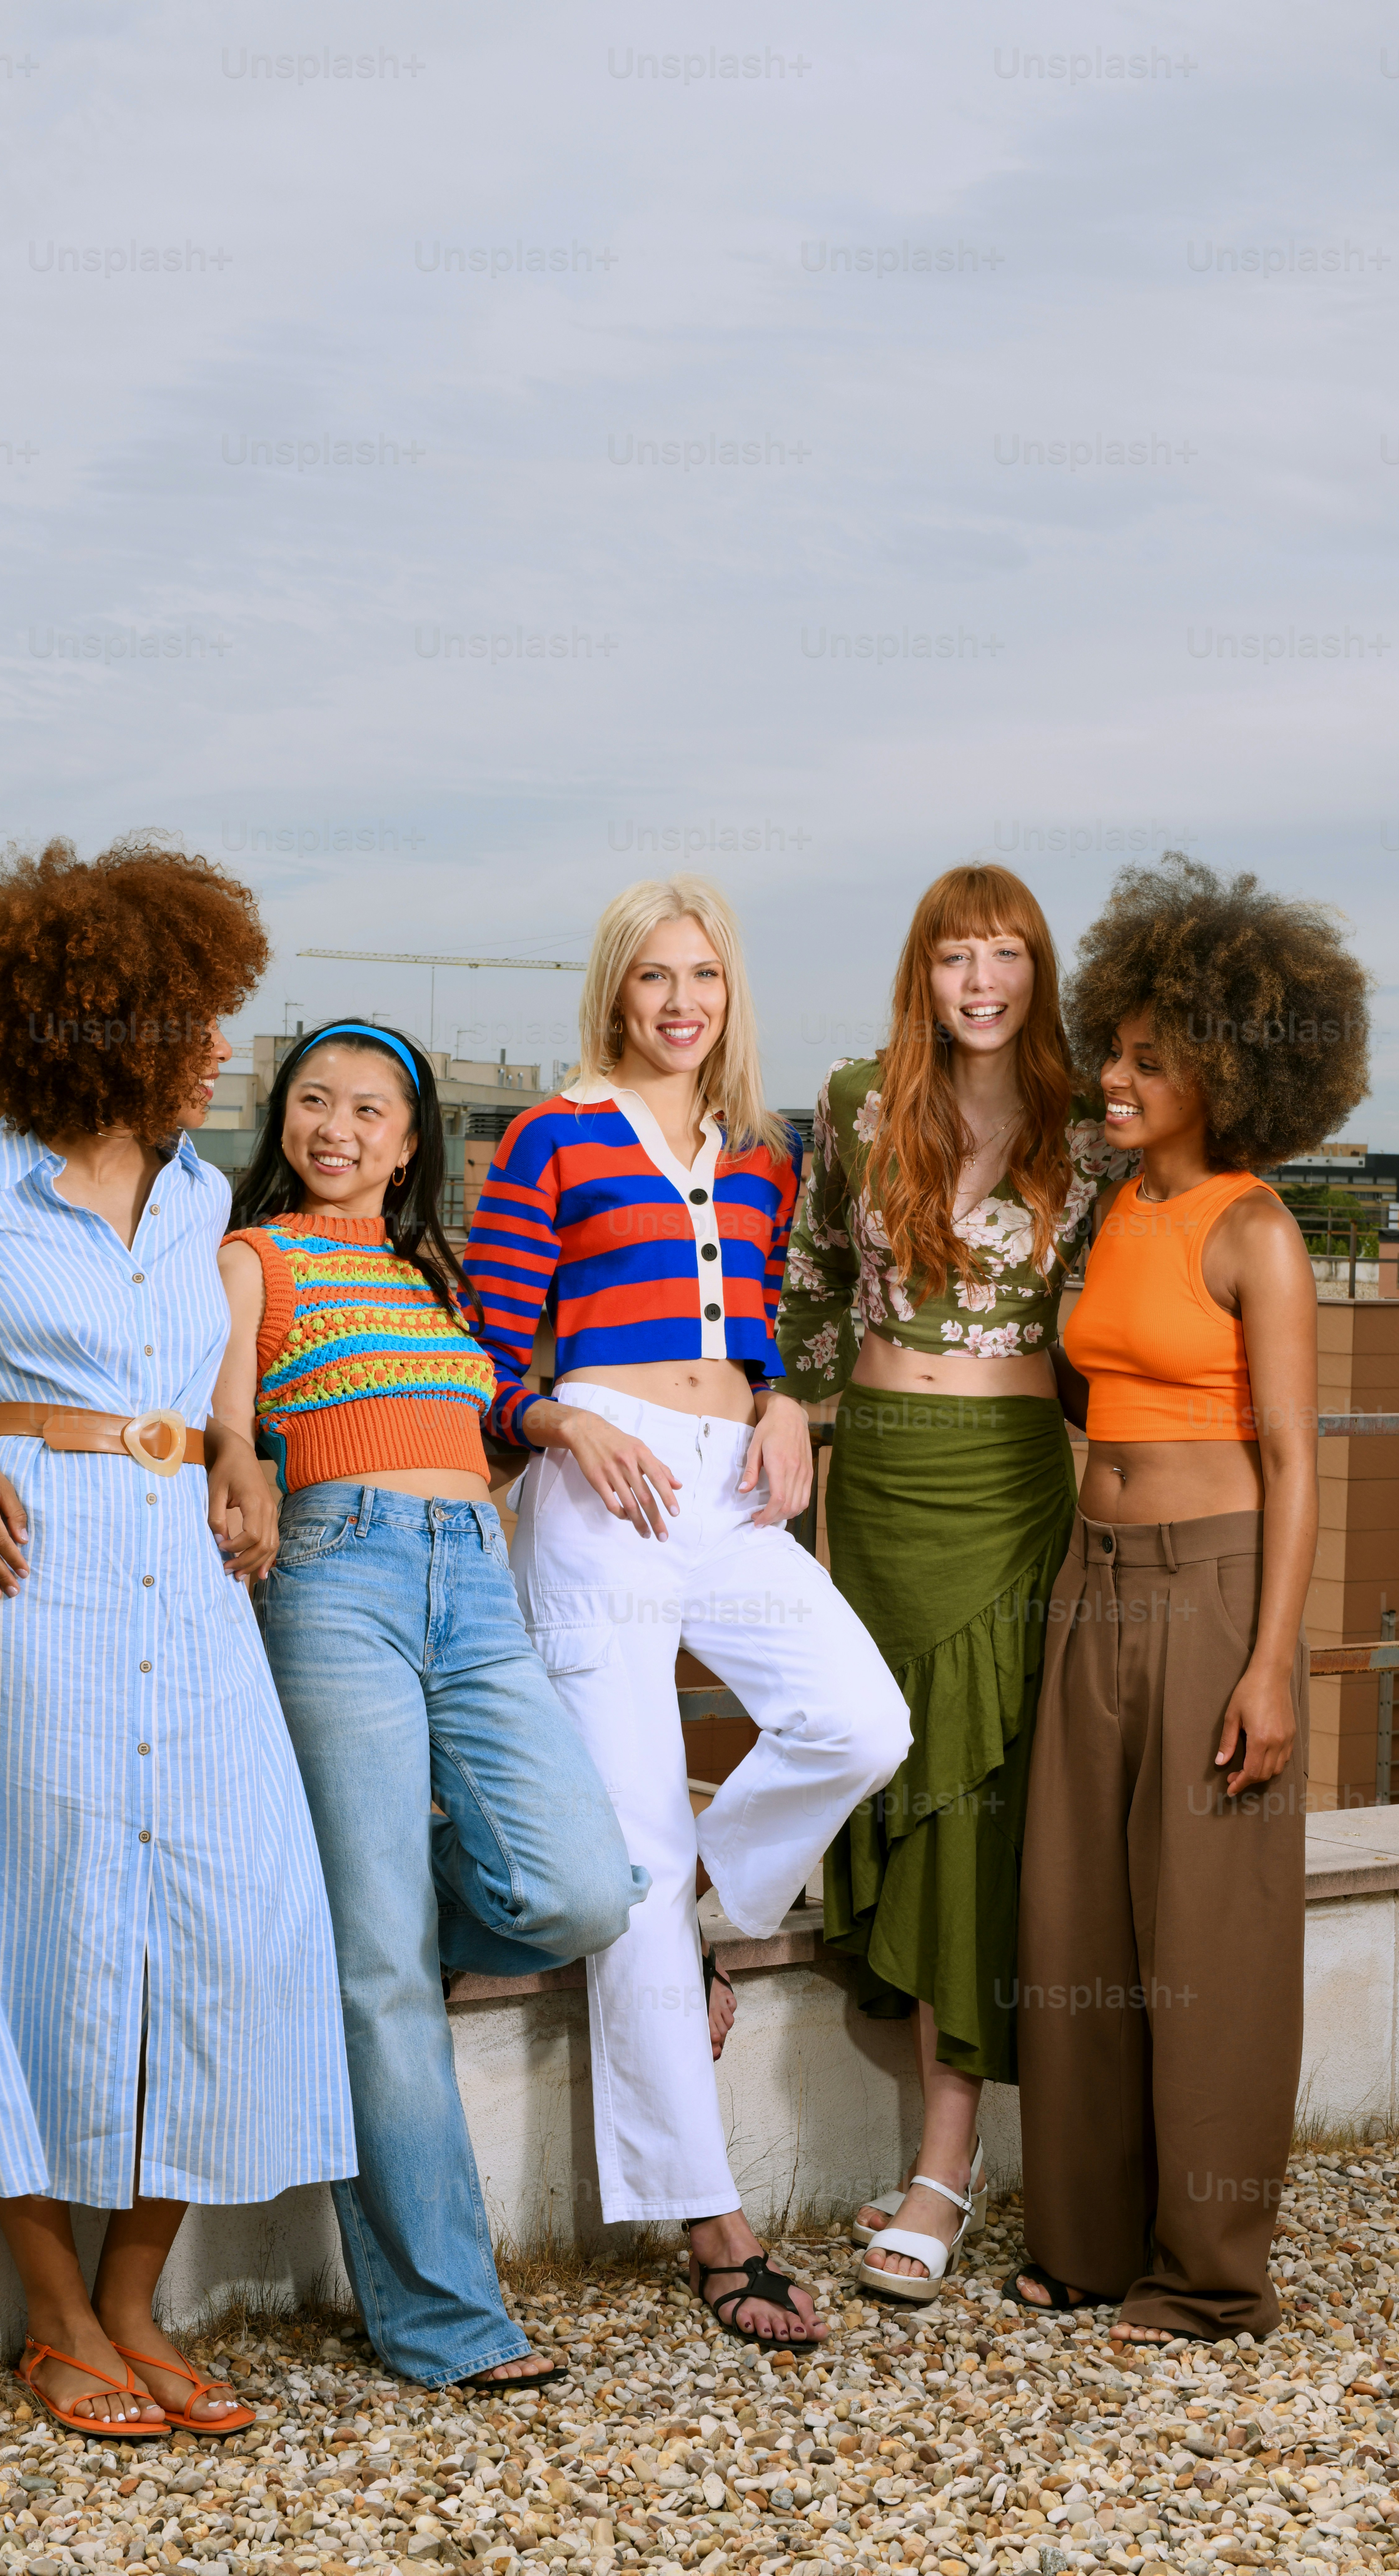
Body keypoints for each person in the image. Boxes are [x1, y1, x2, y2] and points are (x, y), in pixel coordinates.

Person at [0, 840, 354, 2438]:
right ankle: (59, 2322)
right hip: (23, 1595)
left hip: (191, 1600)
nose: (217, 1054)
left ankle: (141, 2302)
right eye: (190, 1022)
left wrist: (244, 1464)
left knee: (233, 1926)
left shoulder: (207, 1202)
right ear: (98, 1024)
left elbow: (210, 1393)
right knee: (38, 1929)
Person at [463, 876, 910, 2351]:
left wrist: (789, 1407)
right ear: (614, 992)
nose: (679, 1001)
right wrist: (551, 1424)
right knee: (633, 1845)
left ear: (728, 997)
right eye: (653, 976)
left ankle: (713, 1919)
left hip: (731, 1485)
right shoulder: (550, 1134)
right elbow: (481, 1352)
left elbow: (768, 1324)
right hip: (598, 1486)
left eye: (702, 976)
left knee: (857, 1718)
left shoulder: (760, 1159)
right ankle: (714, 2228)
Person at [213, 1018, 645, 2390]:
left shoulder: (430, 1272)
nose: (337, 1127)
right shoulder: (255, 1255)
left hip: (472, 1576)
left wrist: (543, 1442)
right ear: (283, 1120)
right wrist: (249, 1469)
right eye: (314, 1102)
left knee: (580, 1888)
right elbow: (225, 1421)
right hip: (334, 1573)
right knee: (386, 1975)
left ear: (409, 1145)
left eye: (370, 1111)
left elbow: (477, 1432)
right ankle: (444, 2319)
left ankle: (362, 1934)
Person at [1010, 853, 1368, 2343]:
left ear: (1225, 1072)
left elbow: (1292, 1461)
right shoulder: (1113, 1212)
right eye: (1114, 1046)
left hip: (1215, 1588)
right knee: (1074, 1920)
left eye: (1150, 1060)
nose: (1113, 1074)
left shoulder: (1256, 1229)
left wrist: (1269, 1665)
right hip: (1088, 1585)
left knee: (1208, 1939)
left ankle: (1213, 2275)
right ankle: (1089, 2245)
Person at [776, 862, 1135, 2305]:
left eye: (1003, 956)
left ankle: (944, 2161)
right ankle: (939, 2144)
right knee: (881, 1774)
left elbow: (1112, 1319)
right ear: (918, 973)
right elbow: (805, 1280)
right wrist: (786, 1426)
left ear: (1035, 973)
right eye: (952, 957)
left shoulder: (1083, 1124)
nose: (977, 981)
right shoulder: (859, 1097)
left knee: (969, 1815)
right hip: (870, 1485)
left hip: (1002, 1488)